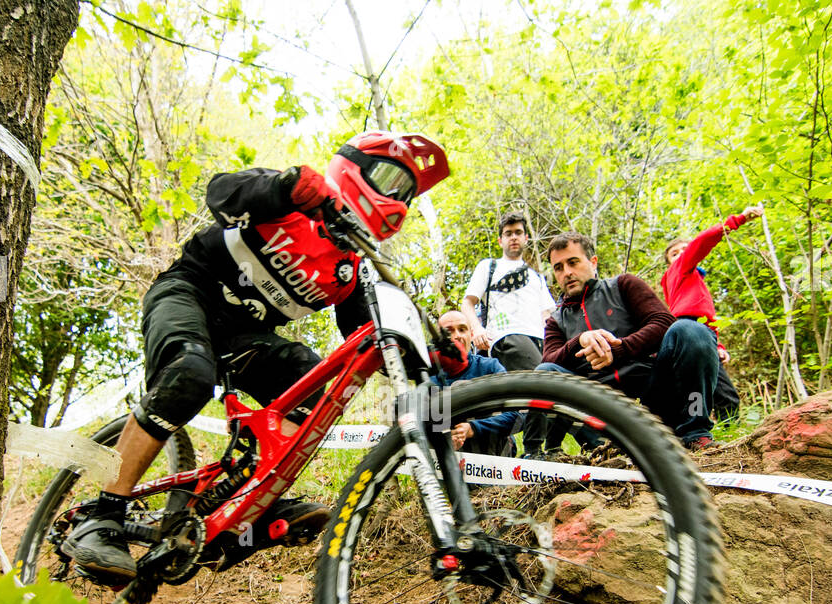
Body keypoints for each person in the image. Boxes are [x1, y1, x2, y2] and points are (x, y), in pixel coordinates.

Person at [64, 131, 450, 579]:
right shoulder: (291, 197)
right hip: (190, 294)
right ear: (354, 169)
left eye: (408, 192)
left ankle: (249, 500)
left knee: (309, 376)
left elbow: (367, 338)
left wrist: (434, 358)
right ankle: (103, 514)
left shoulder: (350, 271)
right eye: (390, 180)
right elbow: (221, 192)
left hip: (245, 337)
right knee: (189, 372)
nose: (398, 199)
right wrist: (286, 187)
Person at [527, 231, 719, 454]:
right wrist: (580, 341)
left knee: (691, 330)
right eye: (558, 268)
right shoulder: (556, 321)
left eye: (573, 262)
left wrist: (619, 348)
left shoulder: (623, 285)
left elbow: (664, 321)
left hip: (655, 397)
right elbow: (547, 362)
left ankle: (695, 431)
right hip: (600, 416)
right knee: (546, 372)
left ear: (593, 262)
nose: (567, 273)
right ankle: (600, 447)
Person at [660, 206, 763, 421]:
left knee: (721, 395)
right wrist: (738, 219)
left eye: (684, 250)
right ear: (670, 262)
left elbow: (702, 316)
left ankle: (723, 438)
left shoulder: (690, 282)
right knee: (707, 394)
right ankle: (699, 434)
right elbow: (702, 242)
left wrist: (718, 346)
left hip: (700, 333)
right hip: (691, 331)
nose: (681, 254)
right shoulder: (678, 270)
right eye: (674, 253)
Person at [459, 211, 555, 372]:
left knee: (537, 390)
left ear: (526, 238)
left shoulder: (537, 277)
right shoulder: (489, 266)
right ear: (500, 241)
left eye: (518, 232)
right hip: (507, 336)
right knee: (541, 383)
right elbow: (467, 302)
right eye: (508, 234)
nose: (514, 237)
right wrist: (477, 329)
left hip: (540, 341)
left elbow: (546, 315)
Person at [432, 310, 518, 455]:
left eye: (462, 329)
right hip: (450, 453)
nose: (457, 335)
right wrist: (447, 439)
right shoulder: (433, 379)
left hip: (493, 448)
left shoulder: (490, 367)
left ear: (471, 335)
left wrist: (473, 428)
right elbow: (432, 426)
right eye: (449, 331)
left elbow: (515, 415)